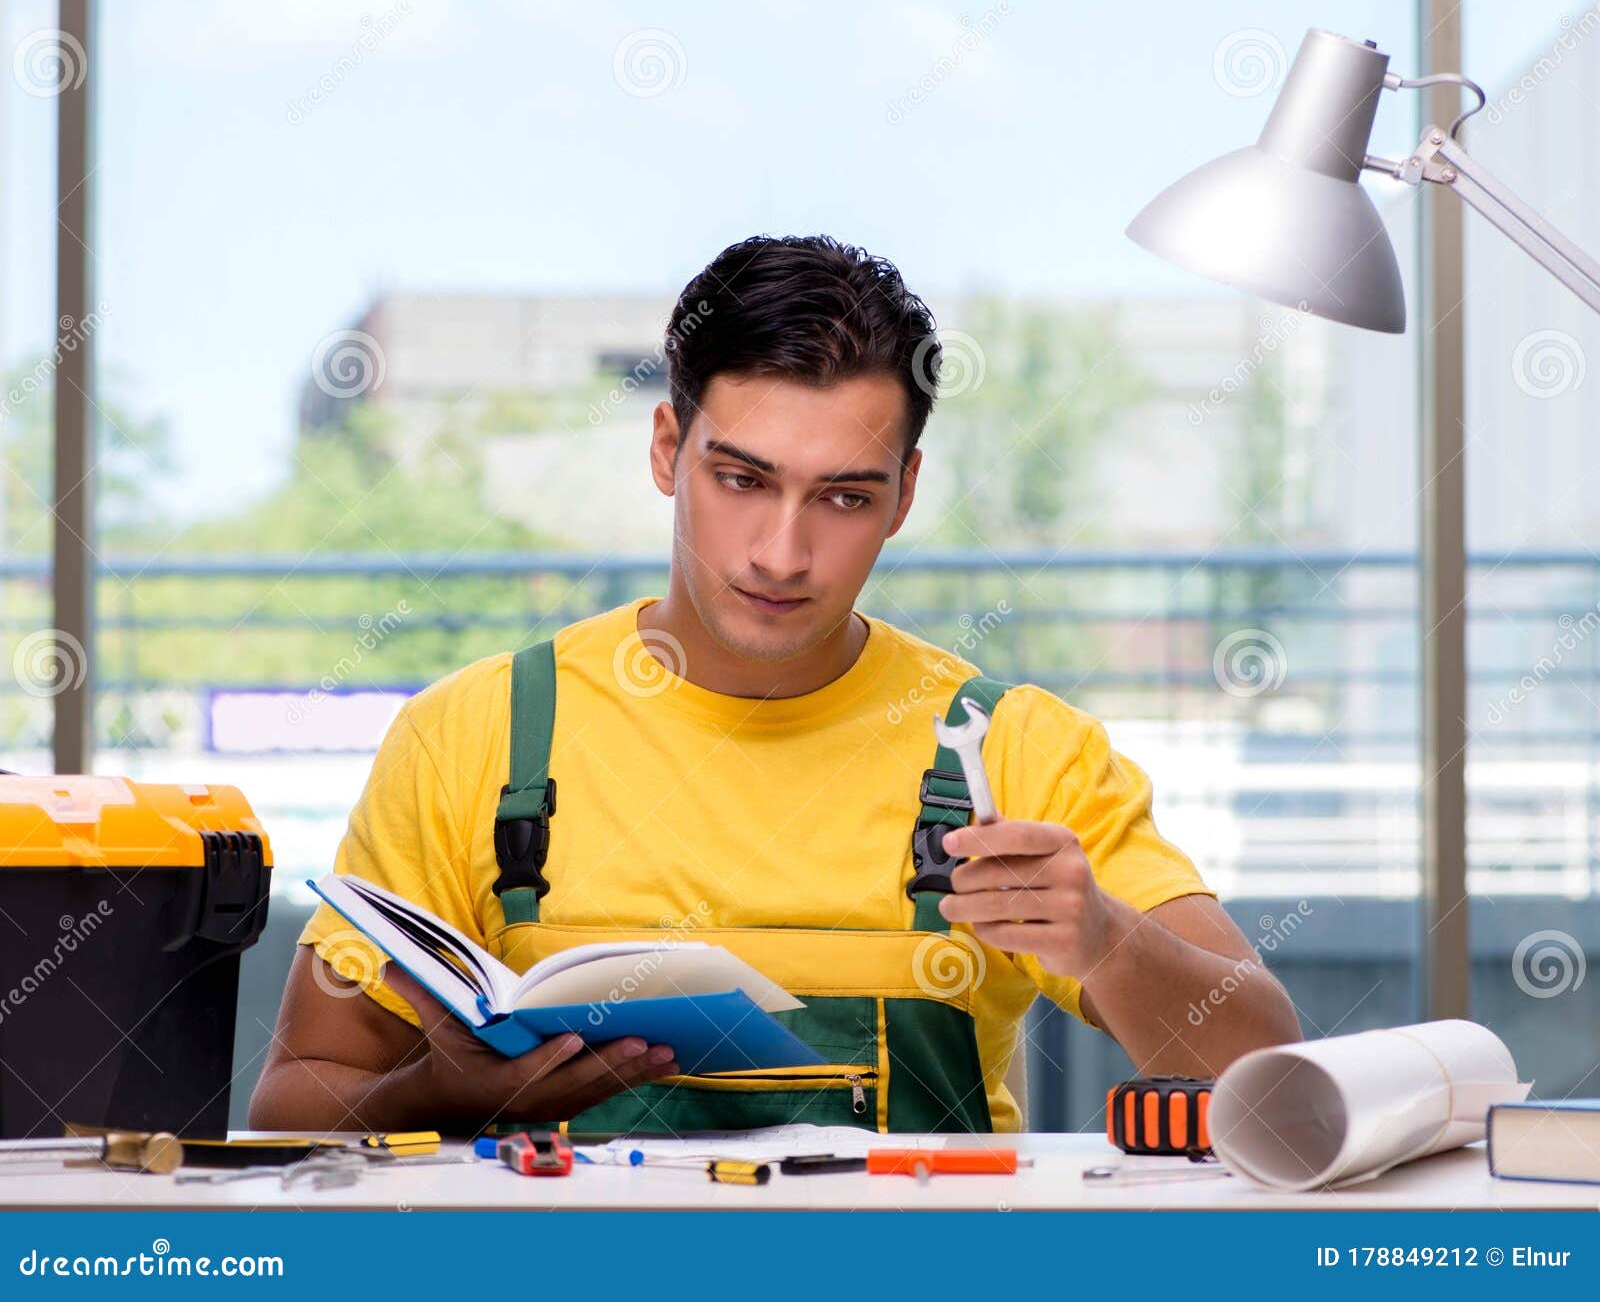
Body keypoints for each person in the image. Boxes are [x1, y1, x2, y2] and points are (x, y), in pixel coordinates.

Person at [250, 234, 1299, 1136]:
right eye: (742, 480)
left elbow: (1266, 1074)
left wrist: (1107, 936)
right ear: (668, 448)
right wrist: (444, 1091)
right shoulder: (472, 737)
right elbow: (294, 1099)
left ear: (903, 497)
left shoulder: (1010, 750)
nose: (781, 553)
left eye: (843, 496)